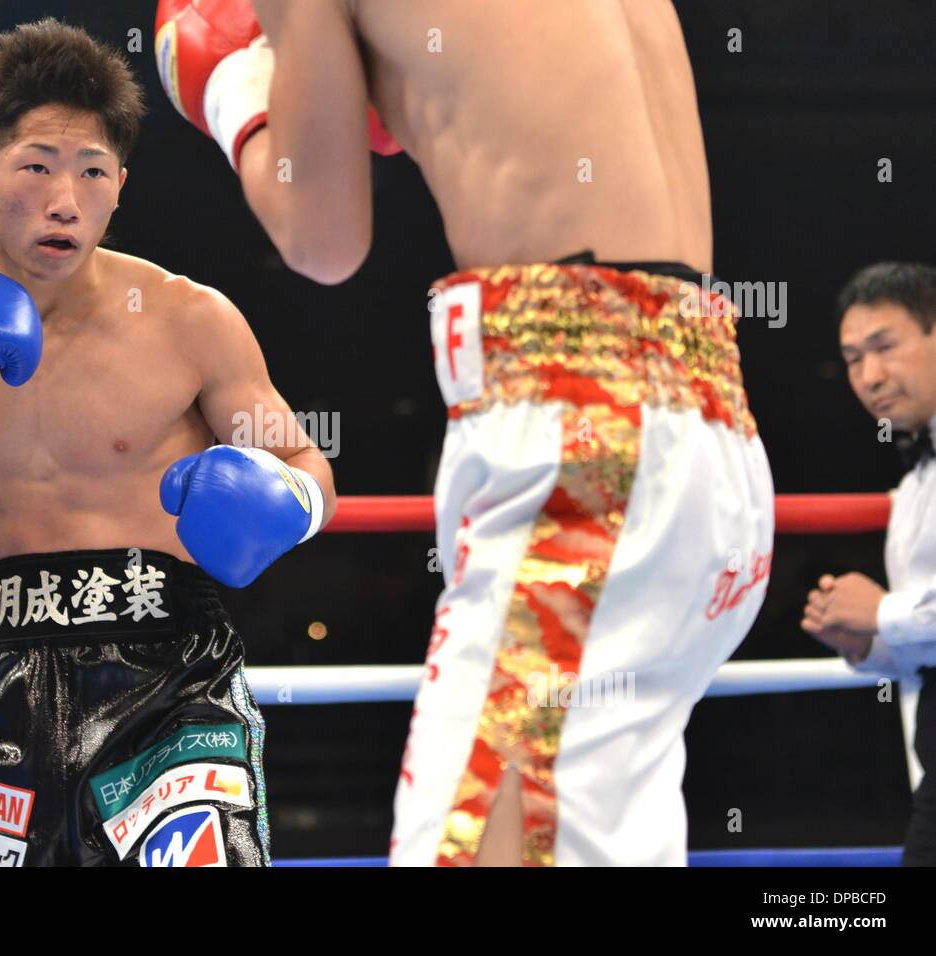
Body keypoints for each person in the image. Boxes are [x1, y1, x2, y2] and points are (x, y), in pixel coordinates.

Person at [156, 0, 774, 865]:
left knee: (466, 842)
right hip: (708, 437)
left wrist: (234, 85)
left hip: (581, 449)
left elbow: (322, 239)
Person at [0, 18, 335, 867]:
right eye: (36, 166)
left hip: (172, 679)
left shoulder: (191, 319)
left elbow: (306, 466)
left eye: (92, 172)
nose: (65, 198)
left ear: (119, 186)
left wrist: (282, 503)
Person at [804, 262, 936, 867]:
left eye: (885, 347)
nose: (870, 376)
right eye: (854, 358)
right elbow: (919, 652)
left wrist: (883, 610)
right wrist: (863, 640)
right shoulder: (912, 492)